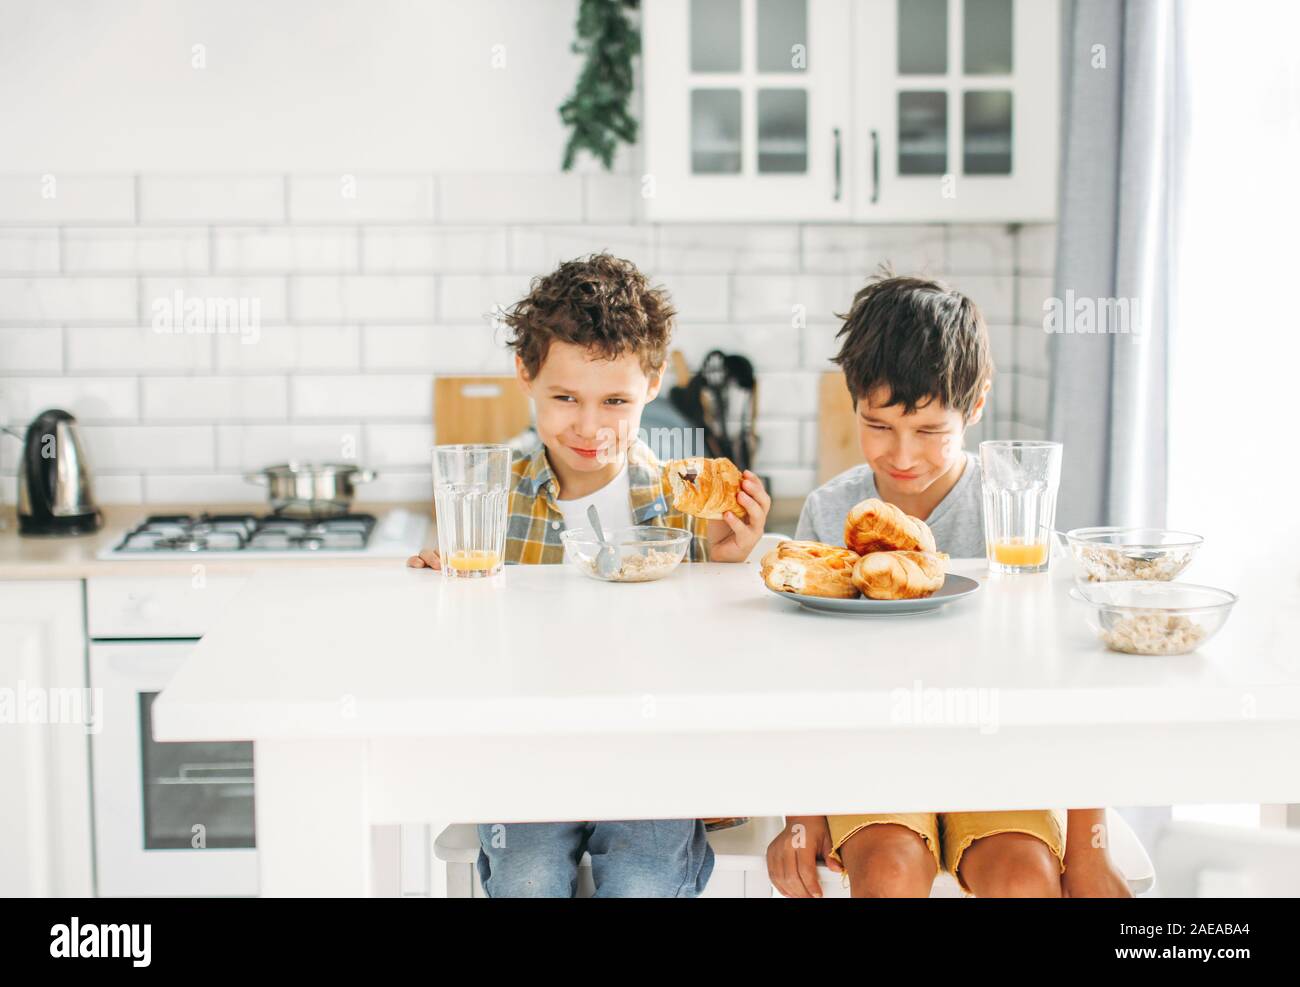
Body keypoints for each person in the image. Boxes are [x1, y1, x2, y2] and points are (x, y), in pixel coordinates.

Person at [408, 252, 771, 897]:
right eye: (565, 397)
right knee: (524, 877)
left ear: (654, 382)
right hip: (529, 754)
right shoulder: (490, 506)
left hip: (650, 759)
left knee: (643, 880)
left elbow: (716, 657)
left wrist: (725, 570)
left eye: (615, 401)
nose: (589, 426)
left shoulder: (685, 505)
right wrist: (442, 591)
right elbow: (467, 644)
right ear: (525, 374)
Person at [765, 273, 1131, 899]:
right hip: (873, 759)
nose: (902, 454)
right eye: (878, 426)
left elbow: (1069, 683)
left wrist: (1090, 844)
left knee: (1024, 881)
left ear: (977, 405)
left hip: (997, 755)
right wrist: (800, 816)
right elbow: (803, 674)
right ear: (853, 402)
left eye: (931, 431)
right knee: (887, 873)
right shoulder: (830, 514)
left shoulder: (1015, 516)